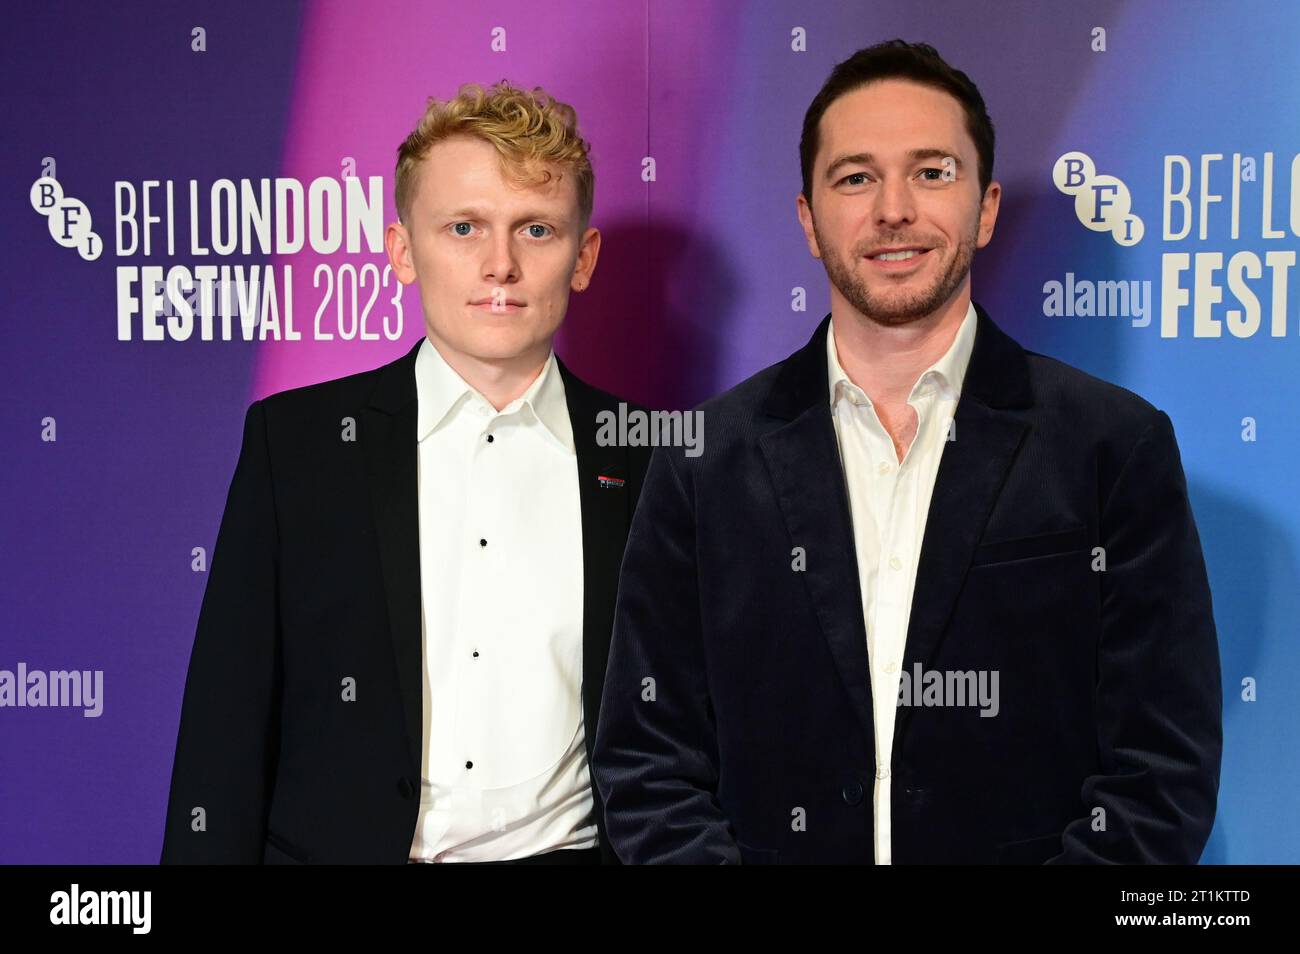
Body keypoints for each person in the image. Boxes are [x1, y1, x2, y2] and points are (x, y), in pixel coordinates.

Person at [593, 40, 1222, 864]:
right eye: (856, 177)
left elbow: (1162, 773)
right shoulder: (703, 462)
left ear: (986, 208)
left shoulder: (1114, 445)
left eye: (932, 172)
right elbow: (646, 765)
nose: (894, 209)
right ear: (809, 220)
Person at [162, 81, 650, 864]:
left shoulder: (652, 458)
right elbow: (228, 717)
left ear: (583, 256)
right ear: (401, 251)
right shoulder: (298, 446)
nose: (501, 265)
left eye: (536, 228)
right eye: (464, 227)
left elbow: (694, 736)